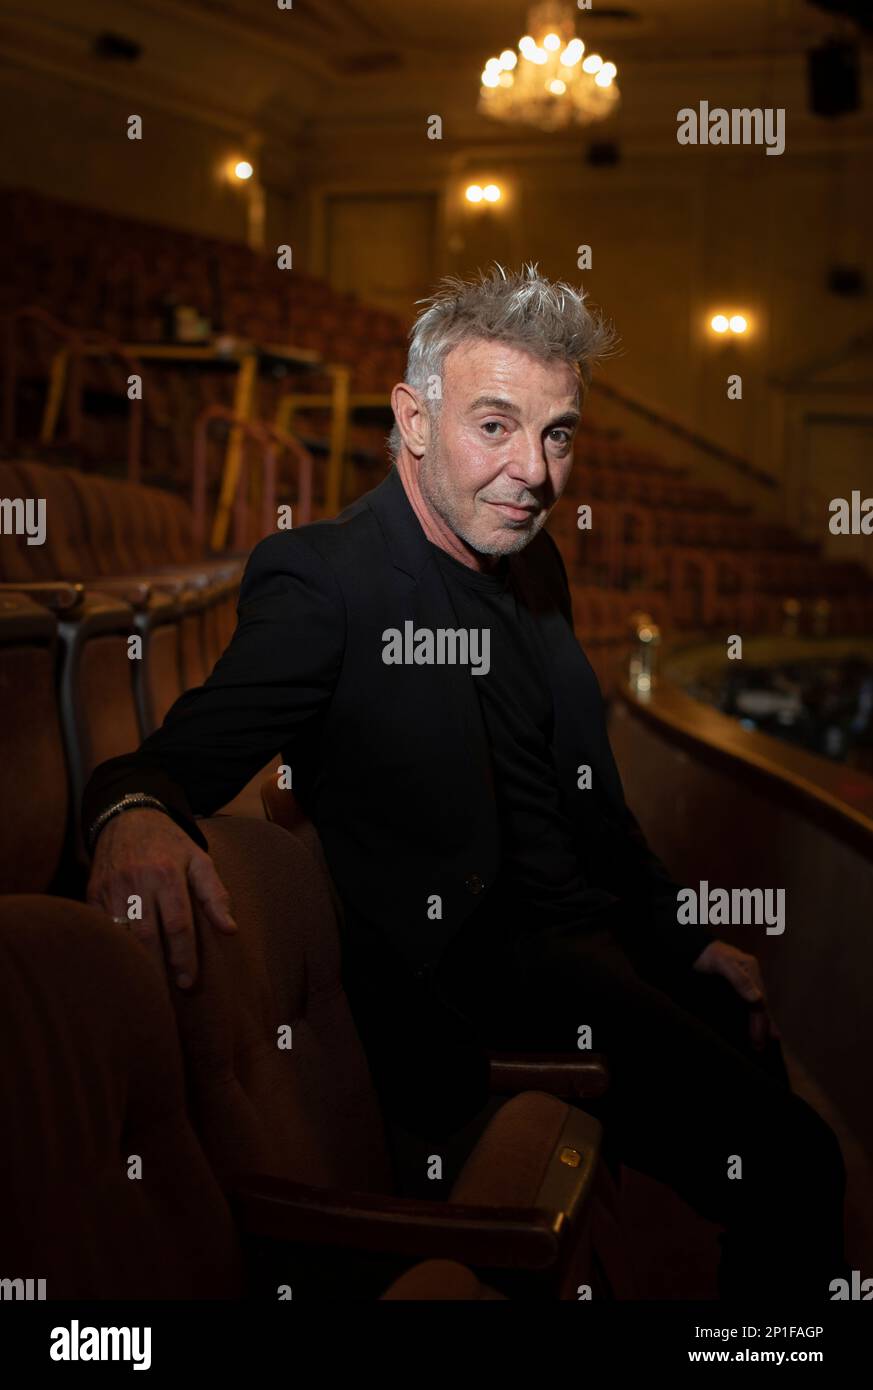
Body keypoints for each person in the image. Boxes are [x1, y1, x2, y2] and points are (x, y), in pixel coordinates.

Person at [82, 264, 847, 1300]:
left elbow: (593, 802)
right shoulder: (326, 580)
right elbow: (169, 757)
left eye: (559, 434)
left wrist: (681, 937)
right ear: (412, 416)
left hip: (598, 941)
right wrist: (132, 809)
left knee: (758, 1061)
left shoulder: (535, 566)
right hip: (490, 987)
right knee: (803, 1162)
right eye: (495, 426)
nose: (533, 470)